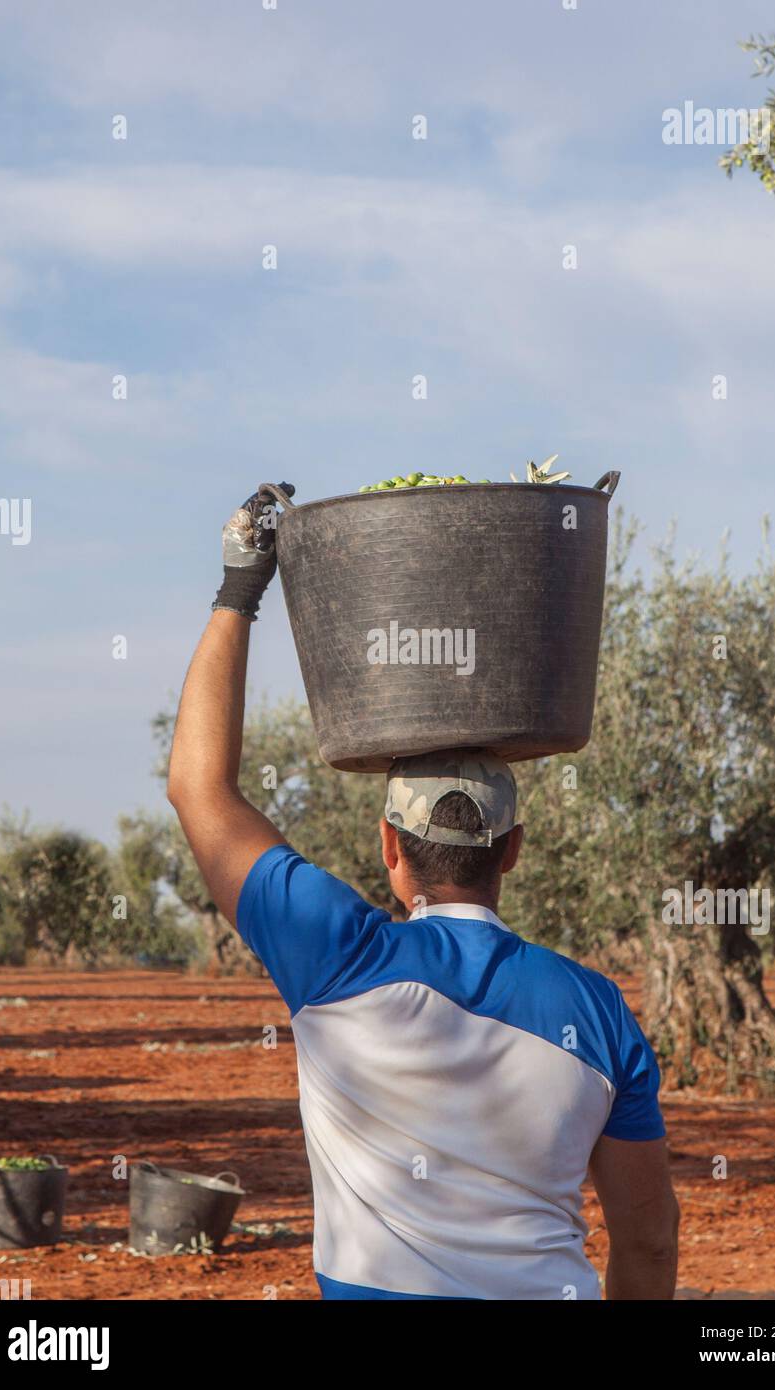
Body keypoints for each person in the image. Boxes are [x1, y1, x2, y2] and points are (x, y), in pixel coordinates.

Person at [167, 485, 680, 1301]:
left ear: (387, 847)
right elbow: (648, 1245)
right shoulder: (601, 1010)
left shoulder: (334, 954)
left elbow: (198, 788)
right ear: (512, 850)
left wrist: (239, 589)